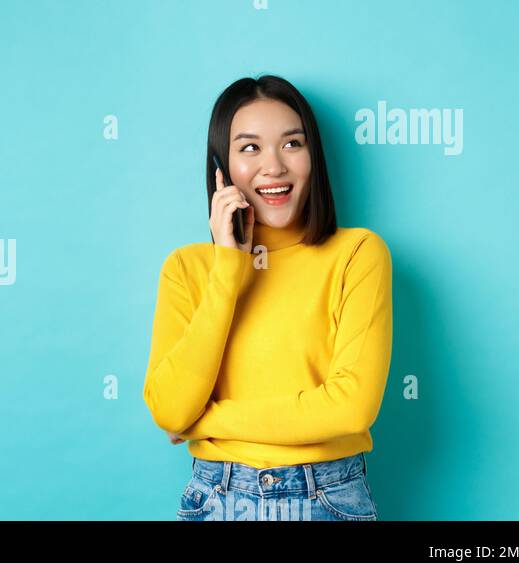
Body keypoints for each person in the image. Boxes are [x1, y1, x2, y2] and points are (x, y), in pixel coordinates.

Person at [142, 75, 393, 521]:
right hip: (214, 498)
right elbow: (169, 407)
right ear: (223, 167)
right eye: (250, 148)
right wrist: (228, 268)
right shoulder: (187, 268)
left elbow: (351, 408)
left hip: (328, 498)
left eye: (292, 144)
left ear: (313, 156)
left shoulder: (357, 253)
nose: (274, 166)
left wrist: (204, 421)